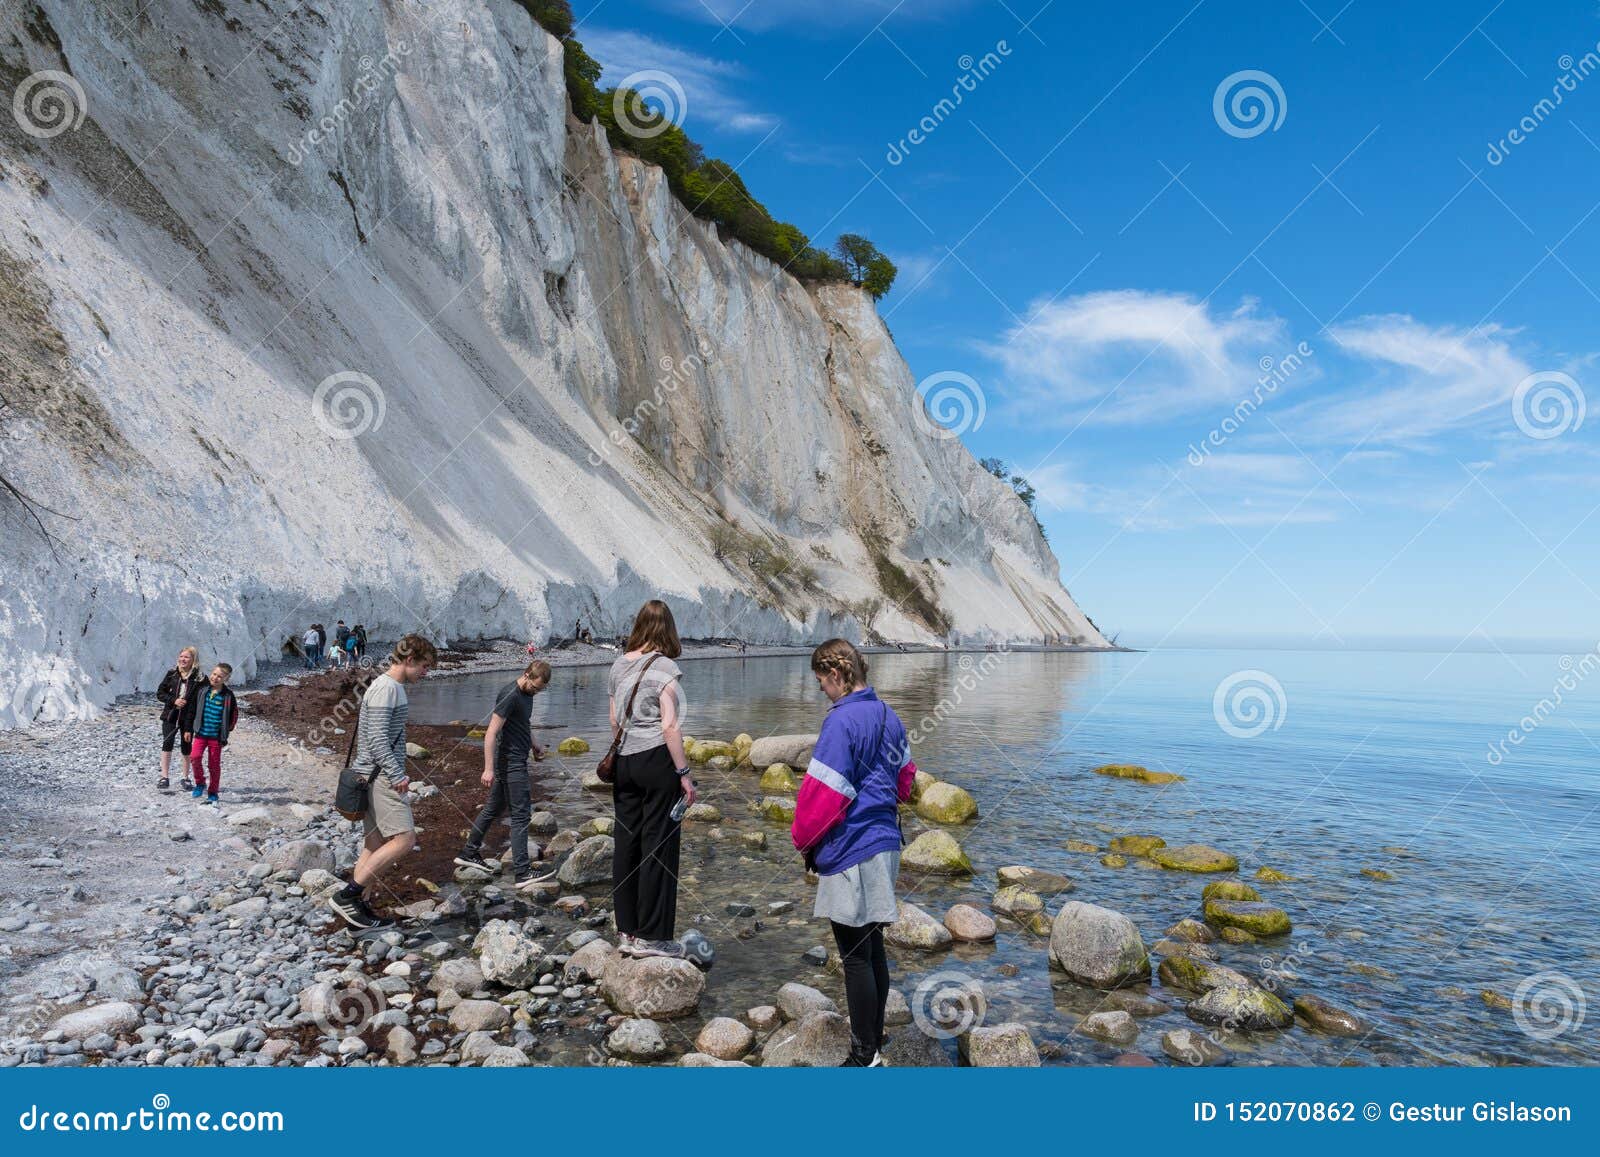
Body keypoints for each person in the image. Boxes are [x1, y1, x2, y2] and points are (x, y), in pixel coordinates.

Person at [790, 638, 916, 1067]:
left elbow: (824, 794)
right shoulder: (889, 715)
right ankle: (874, 1037)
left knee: (855, 957)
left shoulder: (840, 723)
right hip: (885, 844)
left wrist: (803, 840)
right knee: (872, 946)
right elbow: (905, 778)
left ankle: (864, 1056)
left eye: (823, 682)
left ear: (839, 677)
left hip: (853, 848)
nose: (822, 690)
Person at [328, 633, 437, 931]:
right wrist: (397, 774)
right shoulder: (387, 688)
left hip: (374, 774)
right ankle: (347, 895)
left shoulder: (391, 687)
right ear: (410, 660)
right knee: (405, 839)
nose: (426, 673)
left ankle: (359, 907)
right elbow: (377, 740)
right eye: (425, 666)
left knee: (374, 844)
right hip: (379, 777)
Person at [608, 600, 695, 959]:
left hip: (625, 760)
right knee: (658, 845)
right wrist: (685, 774)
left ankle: (627, 931)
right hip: (656, 760)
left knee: (627, 844)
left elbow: (614, 721)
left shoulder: (617, 664)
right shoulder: (665, 667)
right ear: (668, 629)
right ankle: (653, 936)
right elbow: (670, 724)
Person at [454, 660, 551, 888]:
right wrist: (488, 768)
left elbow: (522, 724)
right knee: (521, 815)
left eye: (540, 690)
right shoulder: (510, 695)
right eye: (535, 688)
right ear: (526, 675)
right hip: (510, 763)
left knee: (494, 808)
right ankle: (522, 872)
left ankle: (469, 852)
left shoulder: (527, 695)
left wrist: (535, 744)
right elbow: (491, 733)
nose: (536, 692)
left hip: (518, 758)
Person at [183, 663, 239, 806]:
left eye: (220, 676)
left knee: (214, 764)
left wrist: (226, 731)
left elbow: (233, 715)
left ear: (226, 679)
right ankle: (200, 783)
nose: (215, 678)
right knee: (194, 757)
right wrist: (188, 729)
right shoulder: (203, 691)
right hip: (200, 733)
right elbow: (191, 710)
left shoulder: (228, 696)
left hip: (216, 737)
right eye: (214, 674)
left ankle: (213, 791)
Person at [156, 646, 205, 790]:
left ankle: (185, 777)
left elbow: (204, 697)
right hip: (170, 715)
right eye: (181, 656)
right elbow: (160, 693)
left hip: (188, 718)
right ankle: (164, 777)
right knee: (167, 743)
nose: (183, 659)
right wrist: (174, 700)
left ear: (193, 660)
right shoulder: (172, 674)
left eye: (187, 657)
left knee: (186, 747)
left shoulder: (200, 678)